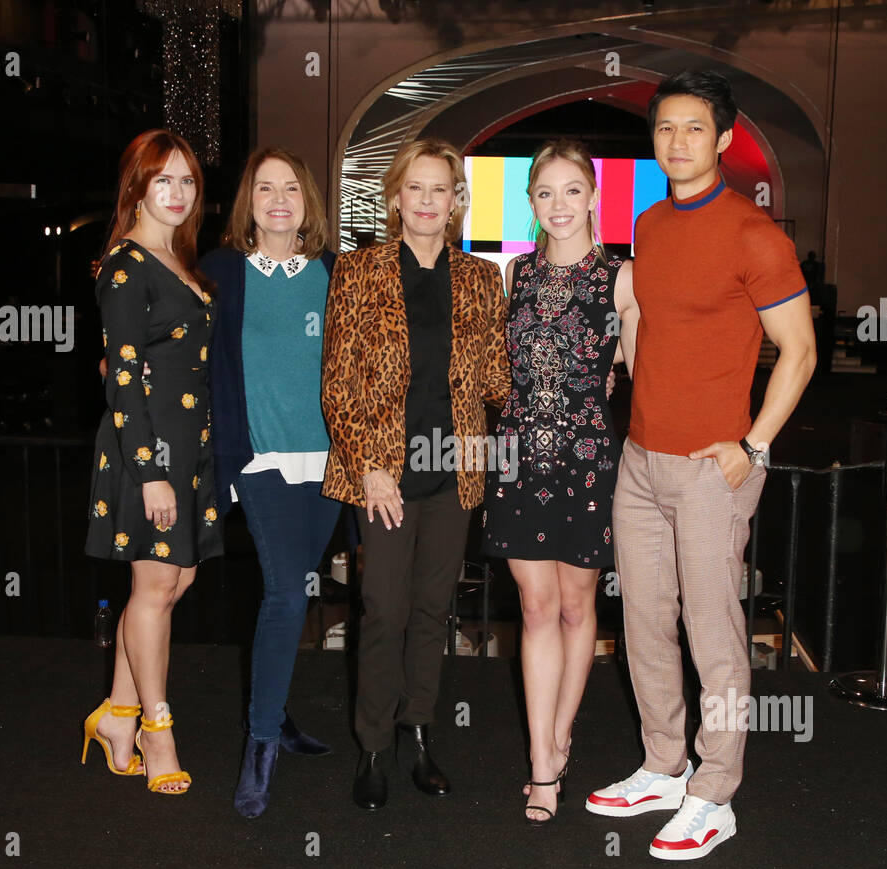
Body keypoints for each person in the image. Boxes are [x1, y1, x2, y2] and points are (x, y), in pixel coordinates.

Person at [586, 70, 815, 858]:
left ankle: (715, 793)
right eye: (665, 127)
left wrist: (752, 447)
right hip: (641, 461)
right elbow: (652, 325)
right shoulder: (649, 224)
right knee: (644, 624)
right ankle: (663, 766)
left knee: (712, 636)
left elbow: (800, 352)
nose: (677, 141)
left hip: (714, 467)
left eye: (694, 128)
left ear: (722, 139)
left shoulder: (755, 235)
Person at [321, 137, 510, 810]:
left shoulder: (482, 278)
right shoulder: (358, 270)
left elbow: (497, 378)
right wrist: (370, 467)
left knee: (434, 611)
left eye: (441, 189)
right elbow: (337, 382)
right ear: (396, 197)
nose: (428, 201)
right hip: (384, 476)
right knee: (383, 610)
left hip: (454, 473)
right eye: (416, 188)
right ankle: (374, 745)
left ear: (456, 201)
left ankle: (420, 732)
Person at [481, 139, 638, 824]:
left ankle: (560, 736)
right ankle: (542, 761)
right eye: (546, 192)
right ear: (530, 202)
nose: (560, 204)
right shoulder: (515, 274)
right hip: (518, 457)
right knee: (536, 606)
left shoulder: (623, 278)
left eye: (573, 190)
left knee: (576, 607)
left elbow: (646, 374)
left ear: (594, 196)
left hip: (588, 460)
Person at [199, 148, 342, 818]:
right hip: (261, 461)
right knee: (286, 595)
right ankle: (259, 746)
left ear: (307, 200)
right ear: (247, 202)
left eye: (291, 188)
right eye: (265, 188)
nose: (279, 199)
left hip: (330, 464)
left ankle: (275, 714)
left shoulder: (332, 271)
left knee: (293, 590)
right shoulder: (221, 272)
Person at [81, 129, 221, 795]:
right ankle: (156, 730)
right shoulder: (126, 265)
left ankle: (117, 713)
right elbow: (122, 378)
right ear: (136, 188)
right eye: (163, 179)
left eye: (187, 180)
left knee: (175, 581)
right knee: (155, 588)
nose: (178, 192)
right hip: (150, 449)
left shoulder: (177, 260)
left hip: (188, 445)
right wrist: (151, 471)